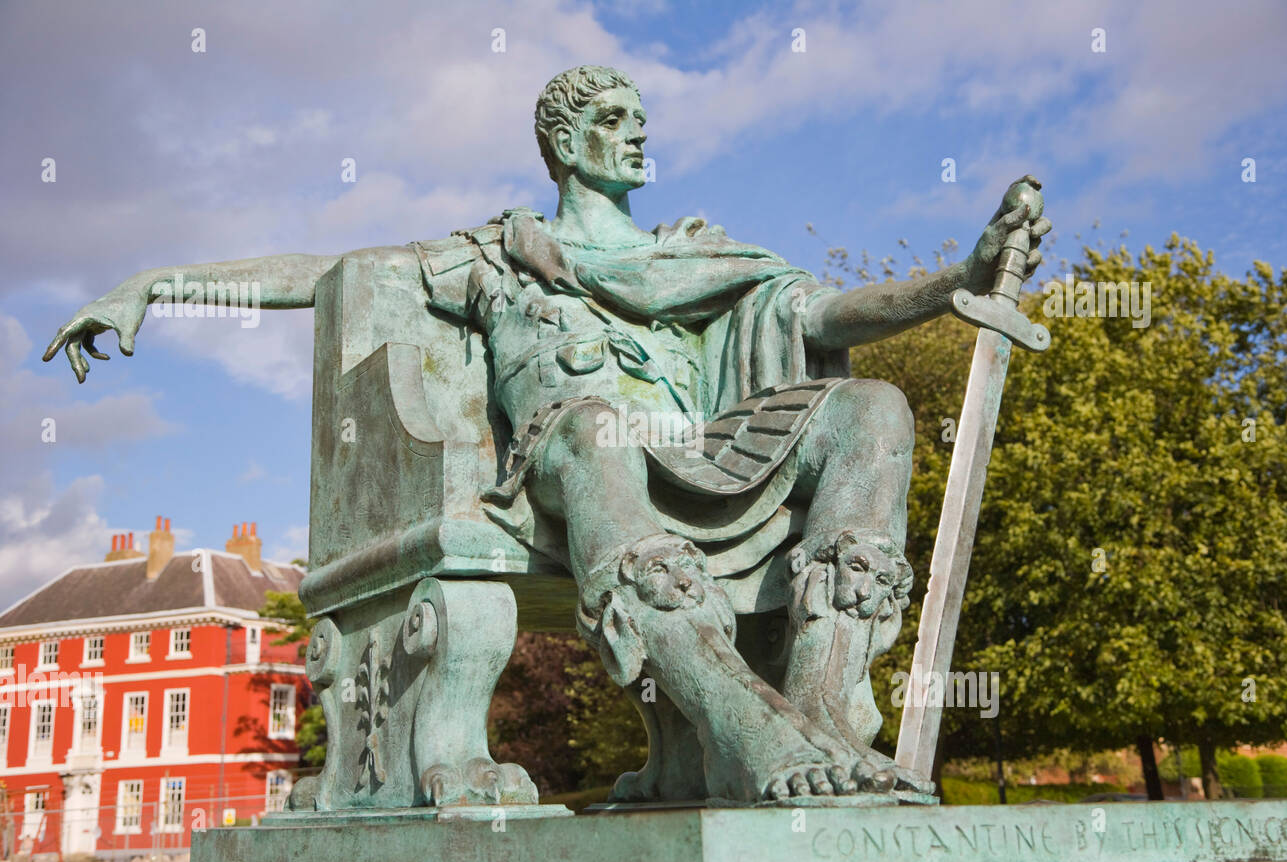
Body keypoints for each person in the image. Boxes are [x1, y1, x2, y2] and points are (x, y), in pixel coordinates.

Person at [45, 66, 1050, 804]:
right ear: (566, 145)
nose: (640, 141)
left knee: (871, 407)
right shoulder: (497, 255)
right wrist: (156, 284)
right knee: (596, 427)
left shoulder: (691, 254)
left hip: (693, 456)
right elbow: (326, 270)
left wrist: (950, 281)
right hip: (565, 459)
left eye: (643, 123)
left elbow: (824, 313)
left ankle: (824, 710)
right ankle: (742, 726)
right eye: (616, 123)